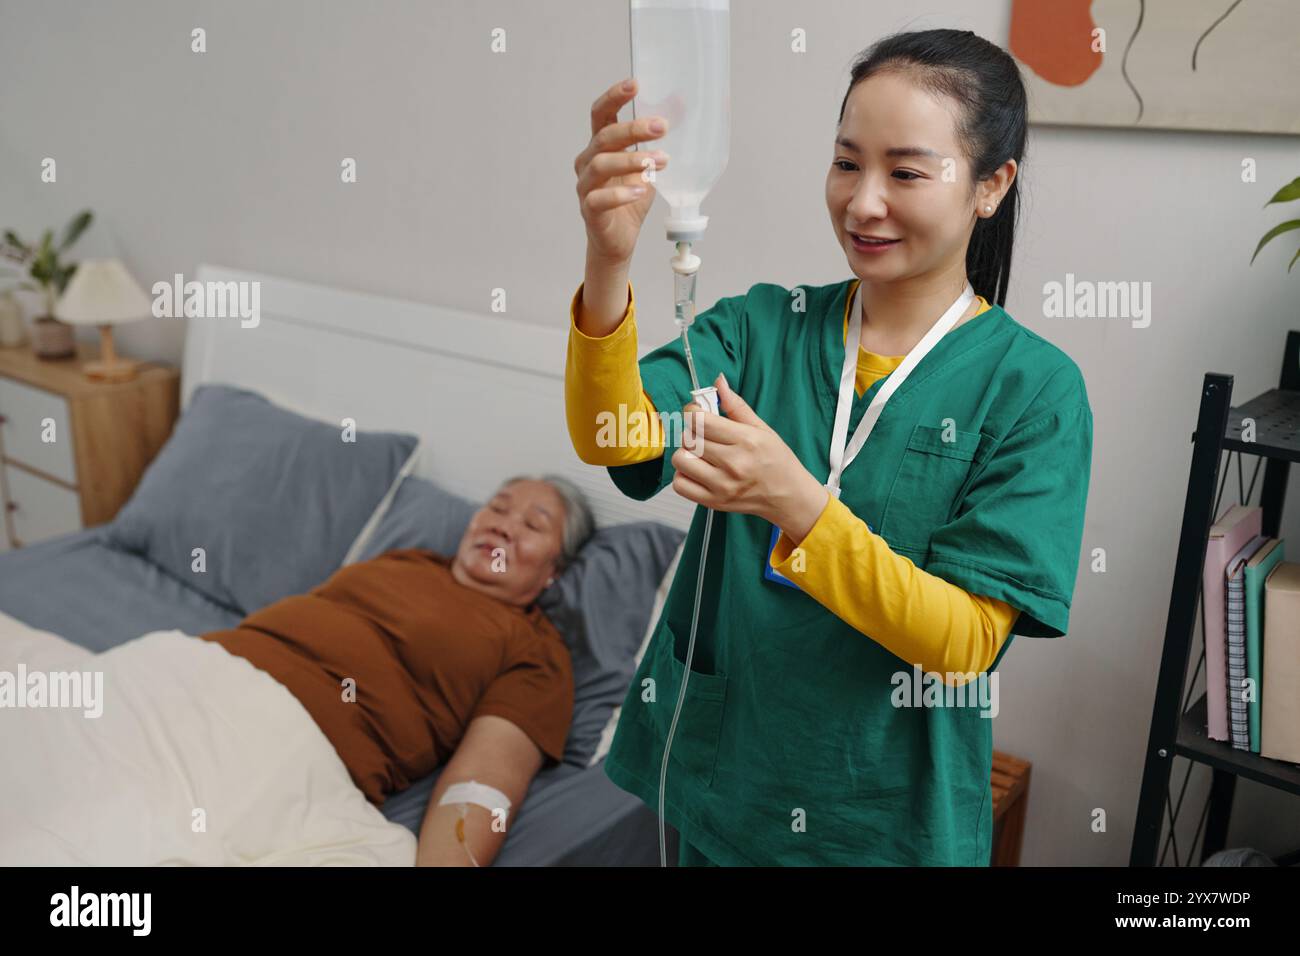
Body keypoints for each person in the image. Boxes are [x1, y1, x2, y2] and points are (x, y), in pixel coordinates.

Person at [565, 29, 1092, 866]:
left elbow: (962, 644)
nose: (863, 201)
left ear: (992, 185)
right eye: (847, 163)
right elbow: (614, 436)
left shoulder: (1031, 391)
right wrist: (609, 256)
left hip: (883, 823)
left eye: (906, 172)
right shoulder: (761, 328)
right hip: (723, 792)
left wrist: (795, 501)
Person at [201, 474, 593, 866]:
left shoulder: (536, 652)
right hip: (201, 666)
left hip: (280, 737)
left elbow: (480, 783)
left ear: (554, 570)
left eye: (532, 525)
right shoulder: (407, 559)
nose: (502, 525)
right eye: (498, 507)